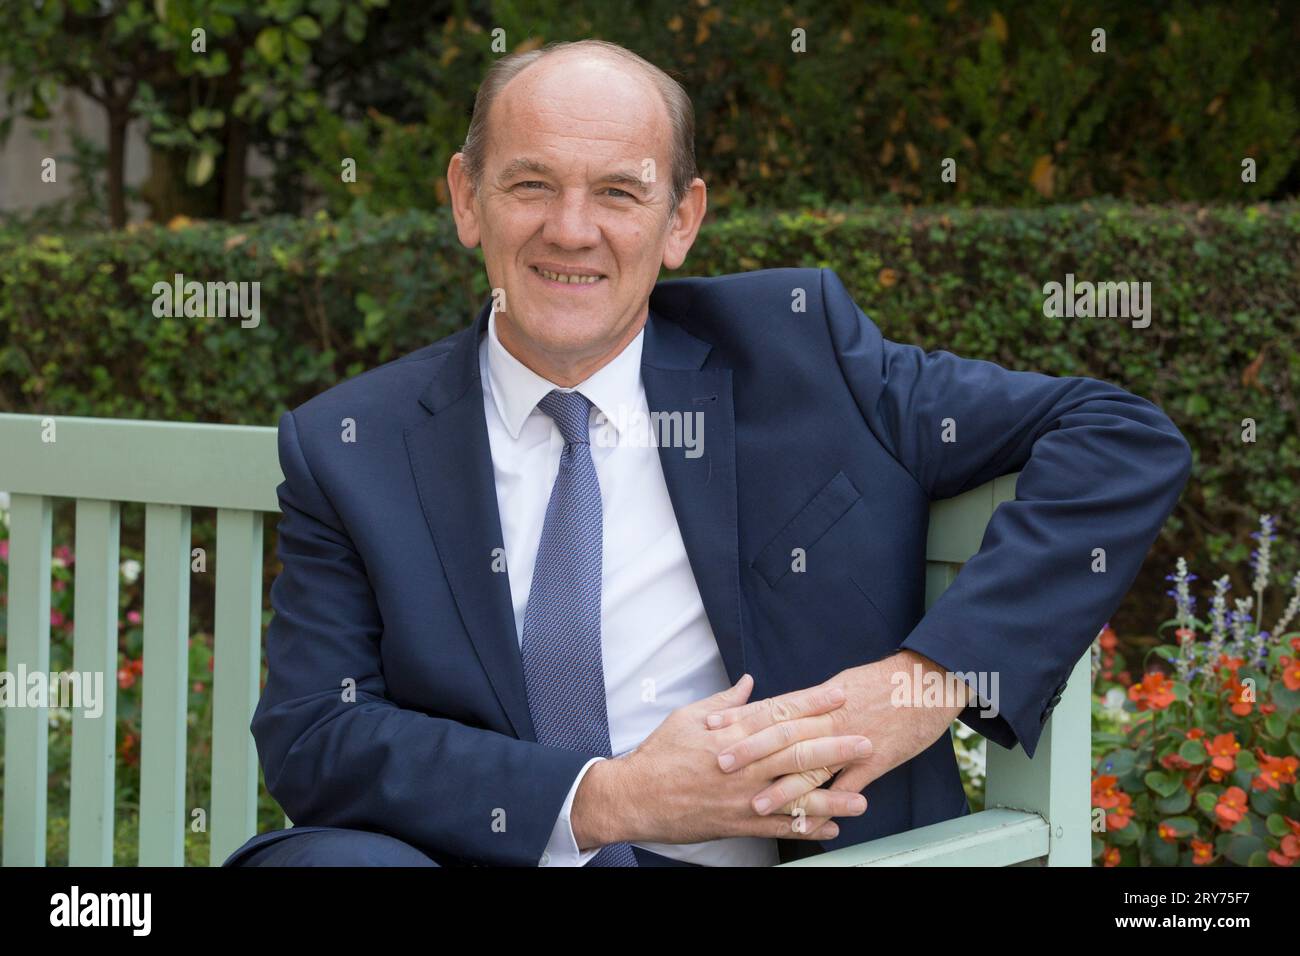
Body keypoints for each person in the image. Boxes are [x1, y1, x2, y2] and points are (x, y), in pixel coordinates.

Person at [223, 39, 1191, 867]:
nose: (572, 229)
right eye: (530, 184)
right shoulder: (354, 441)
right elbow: (317, 734)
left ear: (679, 219)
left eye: (617, 191)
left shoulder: (799, 352)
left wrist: (929, 678)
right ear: (466, 198)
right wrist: (608, 798)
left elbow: (1118, 435)